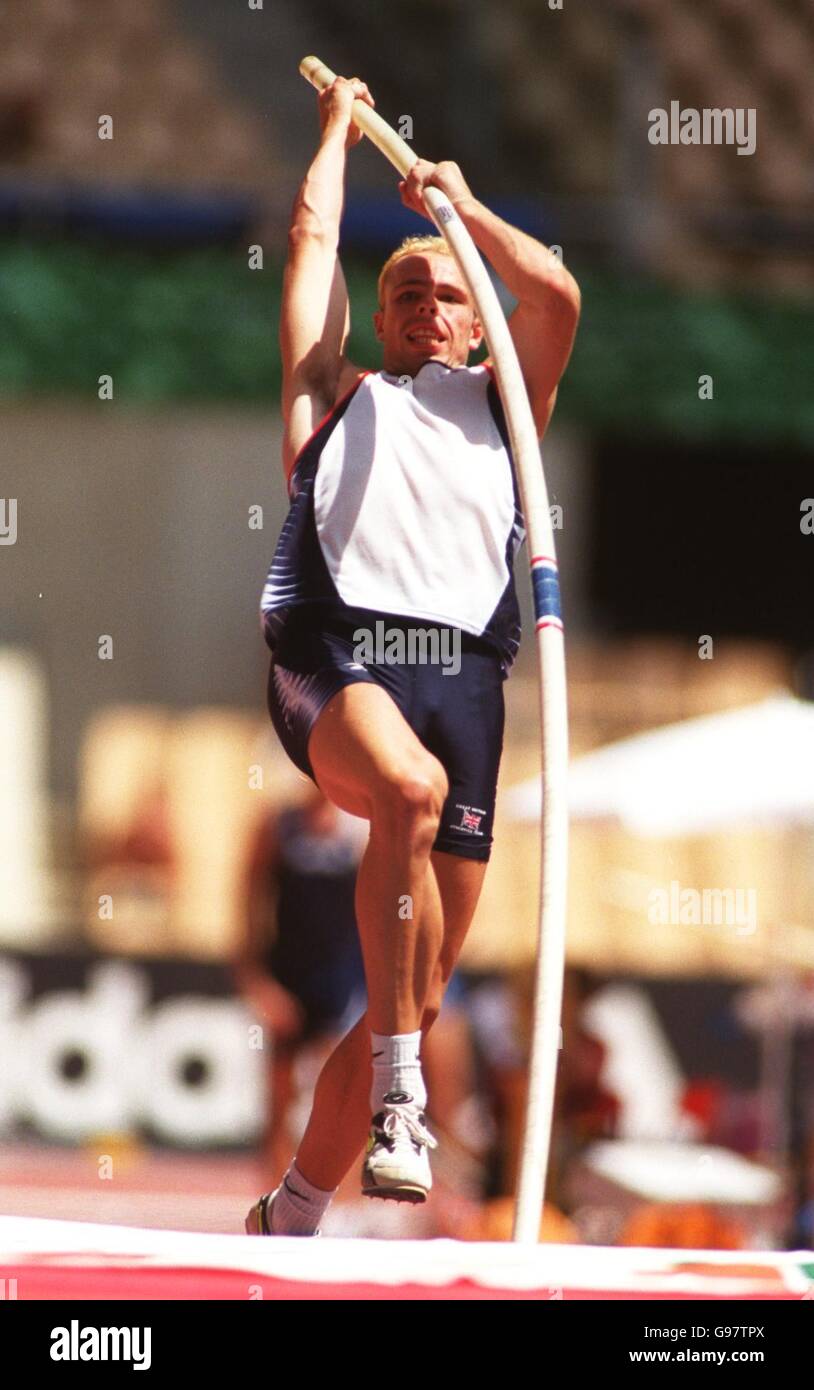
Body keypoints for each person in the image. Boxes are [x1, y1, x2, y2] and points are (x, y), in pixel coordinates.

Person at [246, 74, 580, 1237]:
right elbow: (309, 241)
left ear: (474, 318)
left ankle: (292, 1208)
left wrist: (465, 215)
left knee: (419, 992)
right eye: (404, 293)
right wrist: (337, 130)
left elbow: (558, 293)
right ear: (380, 321)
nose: (428, 305)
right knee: (404, 788)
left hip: (467, 691)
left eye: (446, 293)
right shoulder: (332, 400)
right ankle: (403, 1099)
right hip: (336, 661)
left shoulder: (507, 410)